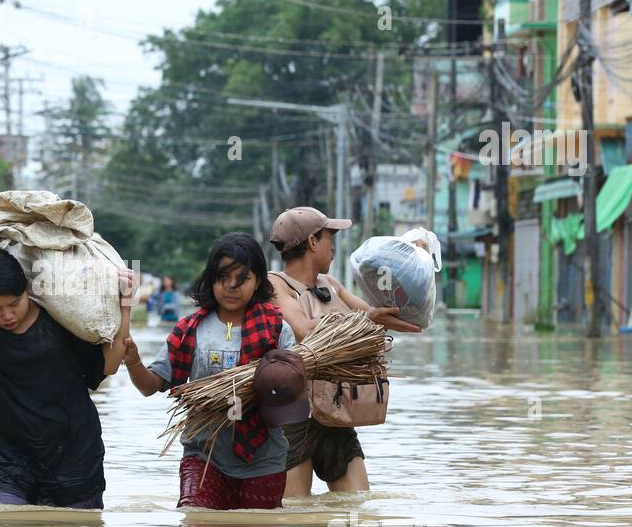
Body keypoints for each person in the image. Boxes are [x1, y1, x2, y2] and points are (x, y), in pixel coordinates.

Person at [0, 217, 133, 509]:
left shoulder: (63, 321)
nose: (7, 315)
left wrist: (125, 306)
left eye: (14, 303)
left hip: (76, 460)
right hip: (10, 465)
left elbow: (109, 365)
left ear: (27, 290)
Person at [122, 233, 296, 510]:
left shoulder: (276, 330)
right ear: (210, 278)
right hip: (203, 455)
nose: (231, 286)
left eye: (242, 278)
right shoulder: (189, 329)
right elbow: (149, 386)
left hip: (263, 458)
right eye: (223, 276)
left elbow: (291, 397)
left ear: (259, 281)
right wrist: (132, 361)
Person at [265, 207, 420, 498]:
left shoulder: (331, 286)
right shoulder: (275, 285)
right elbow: (304, 331)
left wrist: (411, 285)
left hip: (334, 410)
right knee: (295, 518)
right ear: (312, 242)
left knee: (357, 504)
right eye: (329, 237)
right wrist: (365, 319)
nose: (333, 246)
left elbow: (375, 316)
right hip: (292, 417)